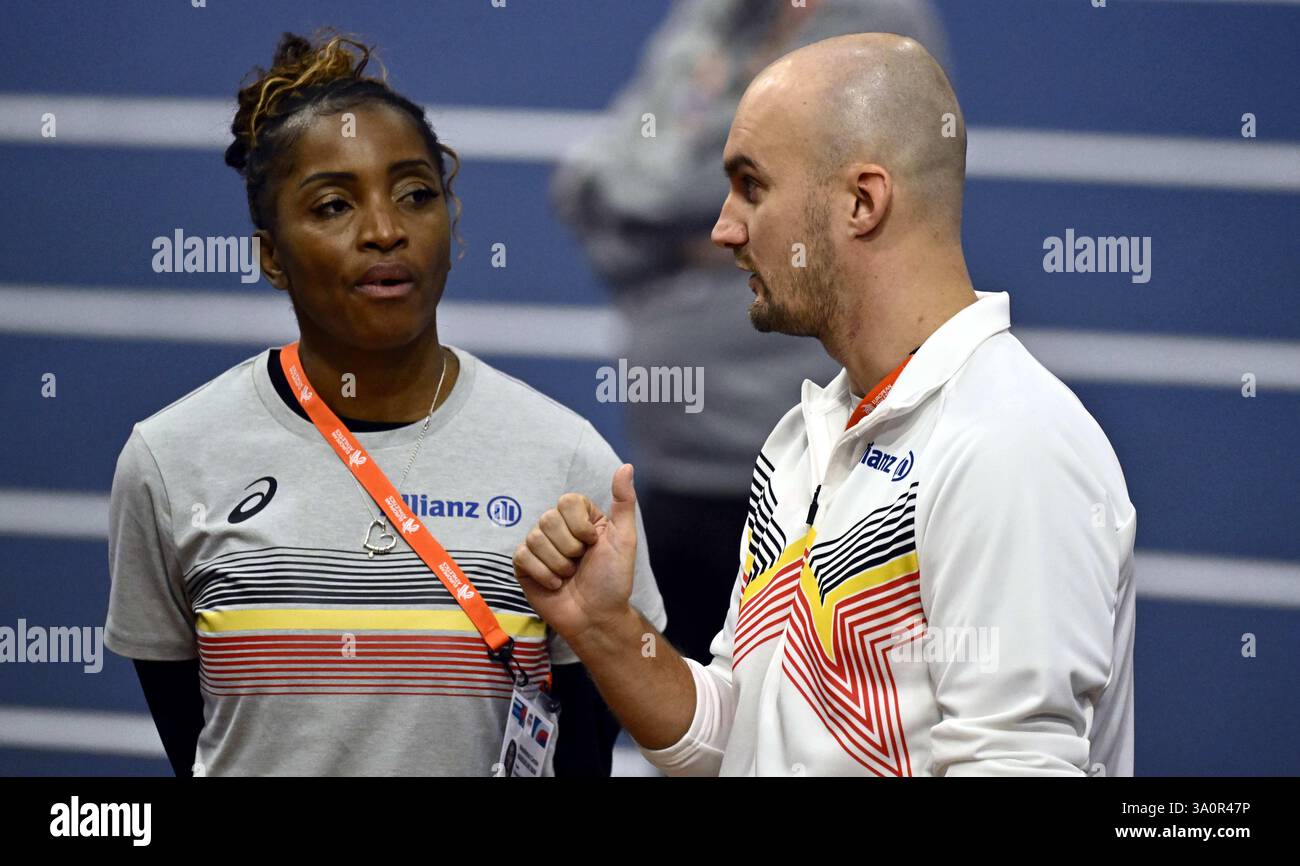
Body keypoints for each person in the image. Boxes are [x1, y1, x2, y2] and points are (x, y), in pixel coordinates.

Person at [513, 33, 1137, 776]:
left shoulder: (1009, 445)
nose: (724, 228)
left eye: (752, 186)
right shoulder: (799, 440)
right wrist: (607, 627)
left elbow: (1014, 764)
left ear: (861, 202)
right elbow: (742, 736)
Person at [104, 31, 665, 777]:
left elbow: (585, 744)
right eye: (334, 205)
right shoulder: (169, 461)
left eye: (416, 195)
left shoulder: (565, 459)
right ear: (271, 255)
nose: (385, 231)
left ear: (450, 220)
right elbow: (197, 740)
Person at [550, 0, 950, 664]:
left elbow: (704, 191)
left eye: (748, 196)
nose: (727, 229)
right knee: (693, 722)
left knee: (797, 727)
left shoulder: (877, 29)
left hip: (810, 469)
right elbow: (586, 184)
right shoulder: (708, 20)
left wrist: (652, 213)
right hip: (675, 464)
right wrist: (660, 207)